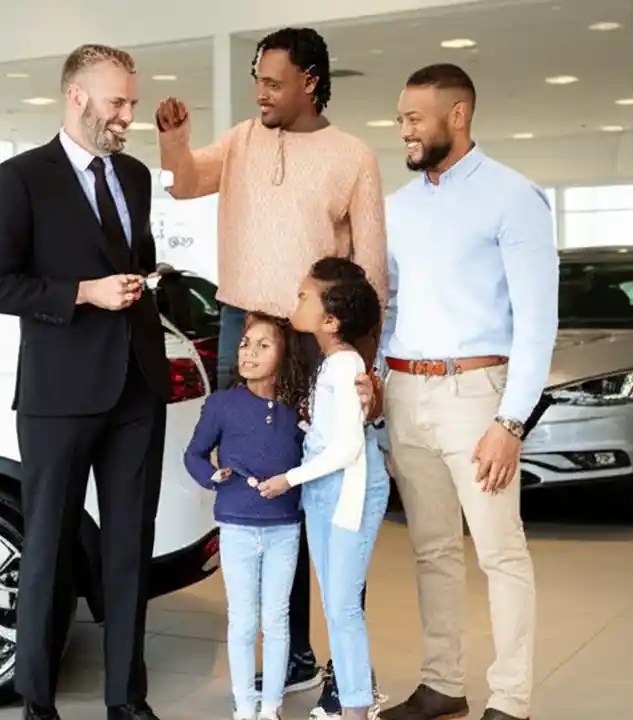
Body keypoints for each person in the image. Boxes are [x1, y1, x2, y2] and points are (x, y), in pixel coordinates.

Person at [156, 27, 389, 715]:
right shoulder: (240, 140)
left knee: (331, 494)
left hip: (319, 336)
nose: (261, 91)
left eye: (274, 81)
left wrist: (363, 368)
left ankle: (348, 673)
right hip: (245, 329)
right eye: (257, 77)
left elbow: (370, 274)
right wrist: (173, 137)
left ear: (311, 80)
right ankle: (291, 657)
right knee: (266, 491)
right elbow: (186, 181)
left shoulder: (352, 156)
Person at [0, 43, 169, 720]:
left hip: (137, 389)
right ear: (76, 97)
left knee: (129, 554)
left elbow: (131, 261)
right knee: (49, 553)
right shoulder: (21, 178)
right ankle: (37, 703)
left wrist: (140, 285)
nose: (127, 116)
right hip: (58, 395)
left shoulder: (135, 176)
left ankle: (126, 700)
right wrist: (84, 291)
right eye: (118, 103)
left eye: (132, 103)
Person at [378, 63, 558, 720]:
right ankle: (443, 683)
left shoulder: (515, 198)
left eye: (414, 118)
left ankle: (509, 699)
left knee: (499, 552)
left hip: (478, 395)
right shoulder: (395, 208)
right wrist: (374, 377)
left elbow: (538, 321)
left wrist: (511, 421)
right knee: (430, 548)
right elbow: (390, 306)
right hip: (405, 391)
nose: (403, 130)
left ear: (458, 116)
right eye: (400, 119)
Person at [258, 258, 390, 720]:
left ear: (330, 321)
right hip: (324, 491)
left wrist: (287, 479)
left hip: (347, 489)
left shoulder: (345, 365)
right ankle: (355, 702)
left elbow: (348, 450)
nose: (295, 302)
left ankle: (356, 707)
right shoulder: (332, 362)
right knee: (337, 607)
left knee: (343, 607)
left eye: (303, 297)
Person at [184, 312, 311, 720]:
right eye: (244, 344)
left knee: (276, 619)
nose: (249, 353)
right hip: (236, 525)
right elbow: (194, 453)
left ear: (284, 354)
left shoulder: (298, 407)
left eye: (263, 345)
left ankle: (271, 706)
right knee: (242, 620)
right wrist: (211, 475)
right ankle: (244, 707)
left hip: (284, 527)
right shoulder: (222, 405)